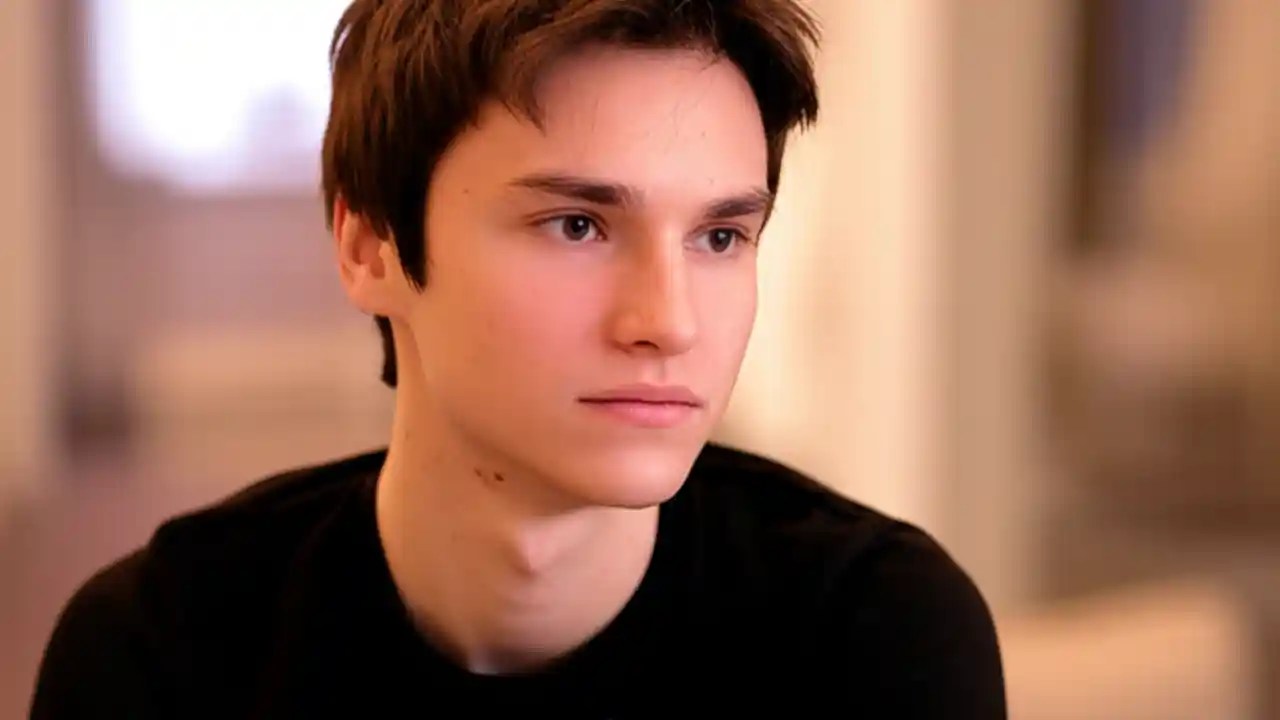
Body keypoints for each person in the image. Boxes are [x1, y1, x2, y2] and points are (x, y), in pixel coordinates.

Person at [31, 1, 1006, 717]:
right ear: (369, 246)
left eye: (717, 237)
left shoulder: (872, 636)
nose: (665, 322)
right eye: (576, 225)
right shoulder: (159, 651)